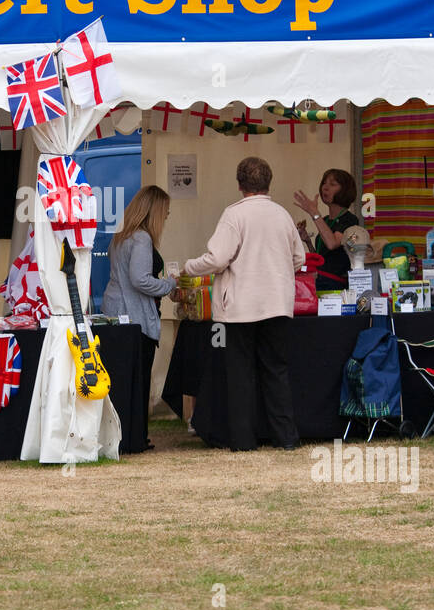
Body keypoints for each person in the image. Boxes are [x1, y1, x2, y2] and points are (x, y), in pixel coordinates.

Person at [183, 157, 307, 450]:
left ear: (240, 185)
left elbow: (217, 258)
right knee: (275, 372)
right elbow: (299, 258)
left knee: (240, 375)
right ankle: (285, 438)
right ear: (269, 182)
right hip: (277, 304)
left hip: (240, 307)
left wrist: (188, 267)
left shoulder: (234, 215)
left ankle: (243, 440)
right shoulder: (282, 215)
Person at [102, 186, 177, 449]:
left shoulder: (122, 236)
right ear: (154, 212)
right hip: (135, 318)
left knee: (122, 380)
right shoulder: (142, 239)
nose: (165, 219)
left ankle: (122, 436)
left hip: (116, 315)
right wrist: (169, 284)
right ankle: (135, 438)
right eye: (164, 214)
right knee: (139, 379)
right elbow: (140, 280)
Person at [293, 169, 361, 292]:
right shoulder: (325, 220)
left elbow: (332, 244)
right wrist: (308, 241)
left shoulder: (350, 220)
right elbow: (321, 259)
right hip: (321, 280)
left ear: (344, 190)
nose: (325, 187)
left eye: (332, 184)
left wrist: (313, 212)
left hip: (336, 285)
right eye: (324, 183)